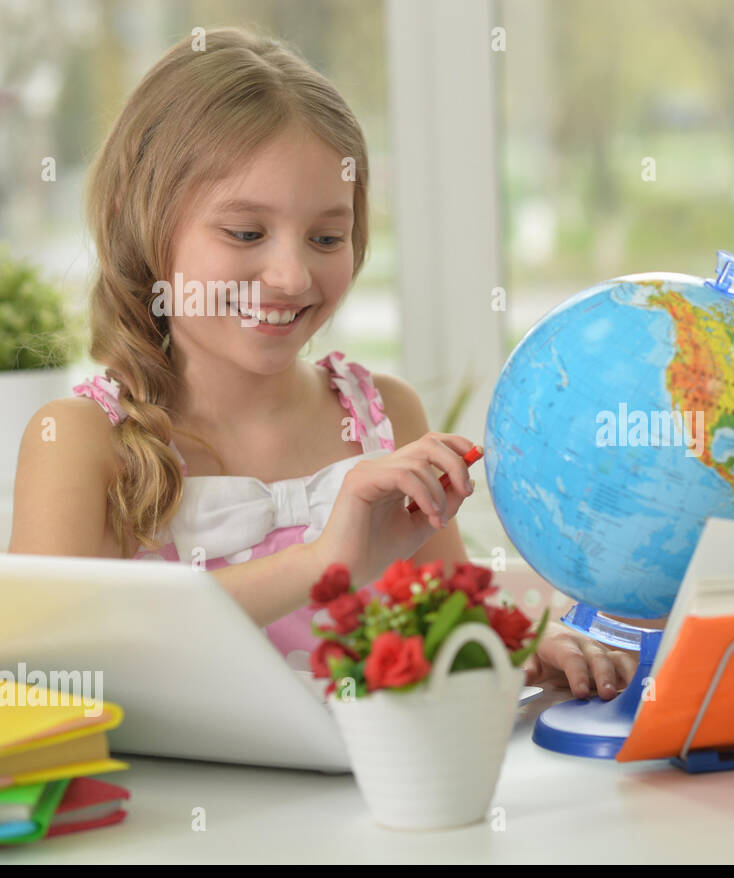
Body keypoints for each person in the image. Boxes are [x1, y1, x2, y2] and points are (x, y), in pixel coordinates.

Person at [7, 27, 636, 694]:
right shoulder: (81, 440)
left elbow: (453, 627)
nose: (290, 274)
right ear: (141, 222)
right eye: (246, 232)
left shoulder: (386, 418)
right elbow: (44, 659)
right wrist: (322, 561)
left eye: (327, 236)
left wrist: (523, 639)